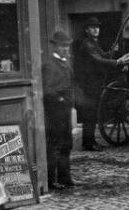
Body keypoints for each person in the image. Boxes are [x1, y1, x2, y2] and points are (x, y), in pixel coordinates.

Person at [72, 16, 129, 151]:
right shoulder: (87, 44)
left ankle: (89, 142)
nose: (96, 29)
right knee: (90, 114)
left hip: (95, 83)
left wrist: (113, 51)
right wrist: (118, 62)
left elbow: (104, 56)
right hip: (89, 84)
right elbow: (98, 61)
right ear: (87, 30)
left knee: (91, 114)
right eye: (93, 27)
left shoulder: (93, 43)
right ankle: (89, 143)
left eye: (97, 27)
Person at [42, 30, 75, 191]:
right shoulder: (49, 65)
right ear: (54, 46)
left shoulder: (65, 63)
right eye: (62, 46)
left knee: (67, 143)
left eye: (67, 46)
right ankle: (51, 179)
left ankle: (65, 176)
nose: (65, 49)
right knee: (54, 145)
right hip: (55, 111)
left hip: (65, 109)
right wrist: (60, 99)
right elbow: (47, 90)